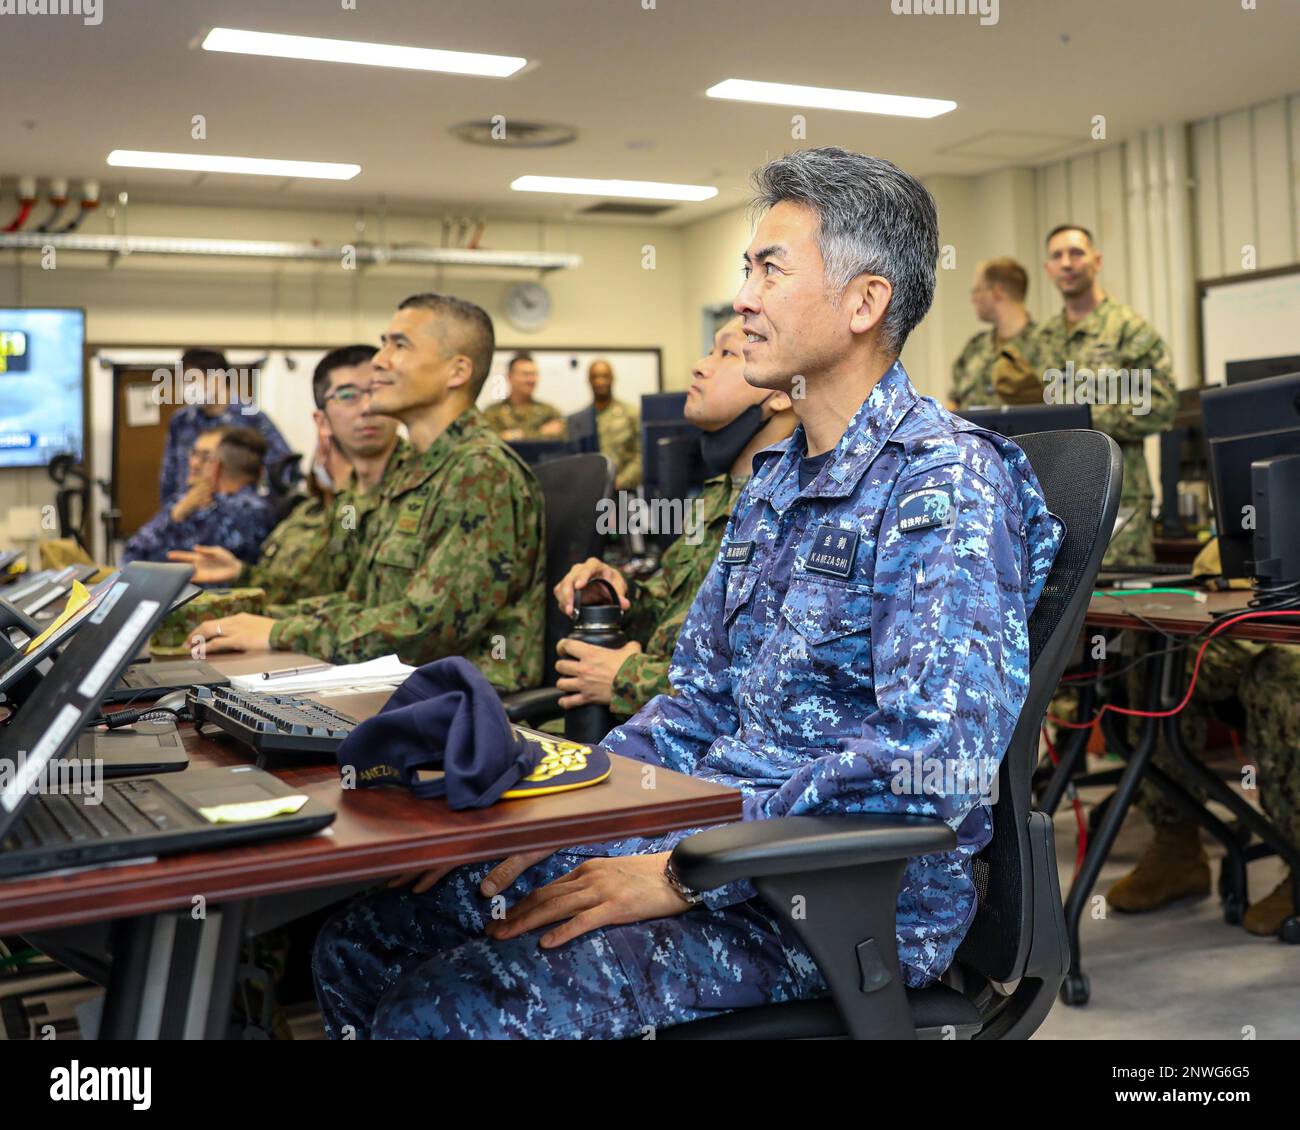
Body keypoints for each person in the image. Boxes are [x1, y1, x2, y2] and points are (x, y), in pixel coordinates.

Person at [310, 147, 1063, 1039]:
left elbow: (935, 761)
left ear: (864, 304)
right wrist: (572, 809)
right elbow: (695, 702)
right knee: (363, 940)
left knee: (439, 1013)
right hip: (697, 844)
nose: (743, 298)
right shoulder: (777, 481)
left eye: (770, 268)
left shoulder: (942, 485)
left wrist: (677, 871)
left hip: (827, 897)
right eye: (747, 268)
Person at [190, 294, 545, 692]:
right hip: (397, 687)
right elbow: (358, 602)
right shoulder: (413, 476)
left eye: (400, 345)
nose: (379, 360)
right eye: (384, 343)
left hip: (463, 704)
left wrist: (280, 632)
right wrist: (253, 618)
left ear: (457, 371)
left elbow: (426, 630)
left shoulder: (481, 471)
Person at [552, 315, 797, 721]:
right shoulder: (720, 493)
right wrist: (617, 591)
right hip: (655, 725)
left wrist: (629, 678)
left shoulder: (793, 505)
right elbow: (670, 613)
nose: (701, 365)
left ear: (781, 394)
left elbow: (766, 683)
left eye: (726, 353)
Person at [1106, 538, 1300, 933]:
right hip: (1276, 612)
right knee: (1165, 651)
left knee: (1278, 675)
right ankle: (1176, 844)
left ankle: (1297, 859)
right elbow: (1228, 544)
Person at [167, 345, 404, 606]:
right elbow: (329, 592)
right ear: (322, 423)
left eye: (376, 391)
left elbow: (283, 464)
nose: (367, 408)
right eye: (349, 395)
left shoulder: (250, 417)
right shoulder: (332, 511)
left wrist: (266, 500)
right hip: (190, 513)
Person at [1020, 224, 1177, 566]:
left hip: (1118, 498)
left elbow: (1162, 405)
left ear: (1097, 260)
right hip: (1055, 497)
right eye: (1057, 256)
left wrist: (1083, 419)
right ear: (1048, 269)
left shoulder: (1128, 329)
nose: (1066, 263)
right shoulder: (1042, 339)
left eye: (1076, 253)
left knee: (1118, 607)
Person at [121, 426, 274, 569]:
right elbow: (132, 553)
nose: (193, 463)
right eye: (193, 453)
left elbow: (195, 572)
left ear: (219, 464)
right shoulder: (187, 499)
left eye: (206, 457)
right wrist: (174, 516)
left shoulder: (245, 509)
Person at [158, 348, 292, 505]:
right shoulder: (181, 421)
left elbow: (284, 468)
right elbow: (169, 474)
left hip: (237, 517)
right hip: (190, 516)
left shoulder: (252, 419)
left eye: (192, 380)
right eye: (185, 381)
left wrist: (266, 507)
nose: (187, 388)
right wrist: (171, 514)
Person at [947, 257, 1037, 410]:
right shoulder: (975, 348)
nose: (973, 299)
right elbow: (954, 403)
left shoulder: (1045, 344)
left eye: (977, 290)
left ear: (998, 292)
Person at [483, 353, 566, 441]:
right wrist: (540, 432)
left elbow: (562, 438)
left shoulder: (549, 412)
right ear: (510, 377)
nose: (531, 380)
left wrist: (511, 435)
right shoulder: (493, 412)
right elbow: (487, 440)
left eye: (534, 374)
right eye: (525, 374)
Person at [587, 359, 641, 490]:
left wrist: (620, 482)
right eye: (595, 377)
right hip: (590, 493)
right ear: (589, 380)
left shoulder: (631, 414)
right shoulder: (581, 420)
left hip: (623, 493)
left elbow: (642, 454)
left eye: (605, 376)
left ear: (612, 379)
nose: (600, 382)